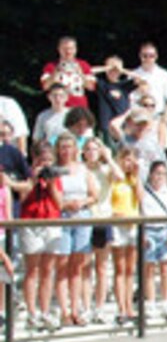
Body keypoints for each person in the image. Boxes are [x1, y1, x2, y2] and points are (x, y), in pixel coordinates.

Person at [54, 132, 98, 326]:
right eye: (62, 147)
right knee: (63, 263)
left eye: (69, 147)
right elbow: (54, 195)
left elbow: (94, 195)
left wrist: (82, 202)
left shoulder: (82, 170)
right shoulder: (56, 170)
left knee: (78, 264)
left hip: (82, 215)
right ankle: (64, 310)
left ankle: (75, 308)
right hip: (63, 215)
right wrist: (66, 204)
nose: (66, 151)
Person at [18, 142, 63, 331]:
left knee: (47, 270)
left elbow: (60, 203)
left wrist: (51, 184)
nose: (46, 164)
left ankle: (44, 310)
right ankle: (31, 312)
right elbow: (21, 199)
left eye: (49, 160)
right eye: (43, 160)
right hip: (31, 222)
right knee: (32, 270)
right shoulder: (27, 175)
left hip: (51, 221)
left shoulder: (54, 177)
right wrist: (34, 179)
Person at [82, 138, 122, 323]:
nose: (92, 153)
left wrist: (109, 157)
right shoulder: (81, 170)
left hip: (103, 217)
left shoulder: (105, 170)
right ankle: (86, 306)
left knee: (102, 266)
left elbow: (120, 176)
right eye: (88, 149)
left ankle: (99, 307)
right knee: (85, 266)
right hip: (86, 217)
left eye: (95, 149)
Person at [142, 160, 167, 318]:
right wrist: (142, 234)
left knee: (165, 267)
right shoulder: (144, 191)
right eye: (157, 173)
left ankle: (165, 301)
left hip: (164, 230)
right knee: (149, 268)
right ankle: (150, 302)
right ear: (151, 174)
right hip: (149, 229)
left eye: (163, 174)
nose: (159, 177)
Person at [110, 146, 142, 325]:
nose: (129, 164)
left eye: (132, 160)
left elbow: (141, 198)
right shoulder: (114, 178)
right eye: (127, 160)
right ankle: (121, 306)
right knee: (120, 268)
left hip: (132, 223)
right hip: (118, 223)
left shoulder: (133, 179)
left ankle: (129, 306)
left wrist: (137, 177)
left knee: (130, 269)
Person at [130, 42, 167, 150]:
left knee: (159, 155)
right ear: (140, 56)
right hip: (138, 121)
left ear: (156, 56)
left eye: (151, 56)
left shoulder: (163, 74)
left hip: (158, 119)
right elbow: (128, 98)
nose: (148, 59)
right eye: (145, 56)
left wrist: (166, 115)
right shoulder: (133, 74)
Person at [39, 36, 96, 109]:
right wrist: (55, 72)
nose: (68, 52)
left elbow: (91, 87)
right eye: (65, 49)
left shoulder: (84, 65)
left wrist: (81, 73)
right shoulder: (50, 66)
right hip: (59, 107)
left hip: (79, 105)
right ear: (59, 49)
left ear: (75, 49)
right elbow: (45, 86)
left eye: (71, 48)